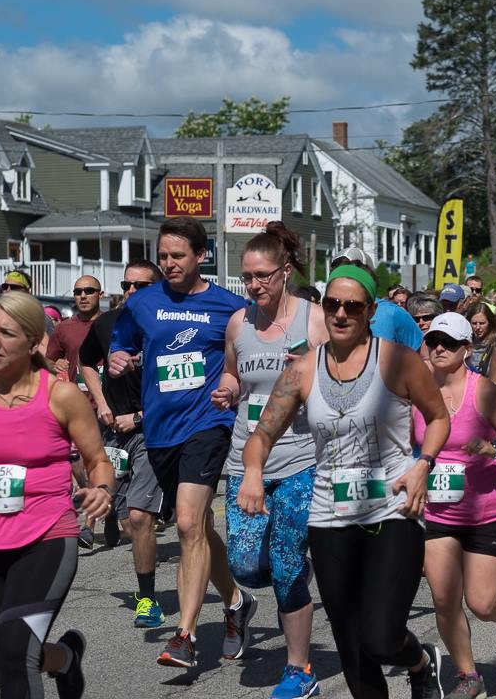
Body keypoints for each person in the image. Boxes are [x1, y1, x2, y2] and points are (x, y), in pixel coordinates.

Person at [241, 262, 450, 698]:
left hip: (393, 509)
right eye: (332, 304)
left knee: (381, 636)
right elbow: (261, 434)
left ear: (370, 311)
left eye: (352, 307)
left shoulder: (398, 360)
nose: (340, 314)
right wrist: (254, 471)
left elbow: (437, 417)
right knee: (353, 647)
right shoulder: (303, 371)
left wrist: (423, 463)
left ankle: (420, 660)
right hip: (329, 516)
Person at [108, 217, 255, 669]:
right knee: (200, 532)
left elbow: (248, 359)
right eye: (163, 256)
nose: (169, 264)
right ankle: (235, 601)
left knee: (191, 523)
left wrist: (232, 386)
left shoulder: (230, 307)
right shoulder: (143, 303)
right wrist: (117, 357)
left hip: (207, 424)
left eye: (178, 256)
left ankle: (185, 636)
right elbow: (121, 343)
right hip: (161, 430)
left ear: (201, 256)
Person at [211, 223, 330, 698]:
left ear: (283, 272)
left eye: (262, 276)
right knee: (245, 566)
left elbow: (334, 377)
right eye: (246, 277)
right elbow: (232, 371)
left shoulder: (313, 319)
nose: (254, 285)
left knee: (283, 565)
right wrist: (228, 388)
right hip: (247, 459)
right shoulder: (240, 323)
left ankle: (299, 669)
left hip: (301, 458)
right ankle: (288, 577)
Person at [0, 291, 116, 698]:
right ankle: (66, 659)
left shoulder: (60, 395)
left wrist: (103, 489)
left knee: (15, 654)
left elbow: (98, 461)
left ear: (34, 340)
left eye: (7, 333)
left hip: (45, 537)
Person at [416, 313, 496, 698]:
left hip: (486, 511)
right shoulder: (417, 391)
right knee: (444, 597)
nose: (438, 349)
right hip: (437, 512)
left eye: (448, 343)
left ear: (466, 349)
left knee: (481, 603)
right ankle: (468, 676)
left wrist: (494, 448)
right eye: (433, 341)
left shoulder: (483, 391)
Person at [78, 260, 167, 627]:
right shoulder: (106, 324)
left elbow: (187, 385)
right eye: (127, 285)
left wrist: (142, 416)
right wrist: (99, 401)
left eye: (140, 286)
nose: (131, 292)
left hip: (154, 430)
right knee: (125, 520)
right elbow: (85, 362)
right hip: (114, 433)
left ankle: (148, 599)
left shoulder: (171, 327)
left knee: (139, 517)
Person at [47, 274, 106, 549]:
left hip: (110, 404)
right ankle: (102, 503)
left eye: (89, 291)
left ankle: (89, 525)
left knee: (100, 462)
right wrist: (55, 365)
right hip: (77, 406)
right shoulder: (64, 329)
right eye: (78, 291)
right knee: (77, 463)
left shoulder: (111, 324)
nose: (83, 296)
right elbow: (48, 360)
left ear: (100, 294)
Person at [332, 248, 423, 352]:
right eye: (337, 271)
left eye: (354, 271)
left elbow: (422, 356)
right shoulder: (324, 313)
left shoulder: (393, 313)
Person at [464, 301, 496, 384]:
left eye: (482, 323)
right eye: (474, 323)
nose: (478, 327)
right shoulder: (464, 343)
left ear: (490, 323)